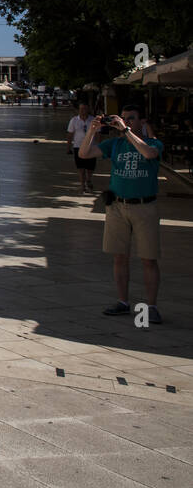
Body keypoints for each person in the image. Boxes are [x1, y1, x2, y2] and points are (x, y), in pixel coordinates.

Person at [78, 106, 164, 323]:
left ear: (141, 122)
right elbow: (84, 153)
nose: (125, 122)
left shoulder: (153, 143)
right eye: (123, 119)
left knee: (148, 259)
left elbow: (148, 153)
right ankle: (123, 301)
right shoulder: (114, 144)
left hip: (145, 207)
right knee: (119, 257)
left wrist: (126, 131)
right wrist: (92, 130)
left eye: (130, 119)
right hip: (117, 206)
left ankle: (151, 306)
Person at [67, 102, 97, 194]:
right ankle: (82, 185)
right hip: (78, 147)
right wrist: (68, 147)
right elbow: (70, 134)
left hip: (91, 147)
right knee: (80, 168)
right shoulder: (74, 120)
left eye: (85, 108)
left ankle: (89, 179)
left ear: (88, 110)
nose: (83, 111)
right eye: (81, 109)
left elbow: (98, 133)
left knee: (90, 167)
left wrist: (99, 146)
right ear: (78, 110)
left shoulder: (93, 120)